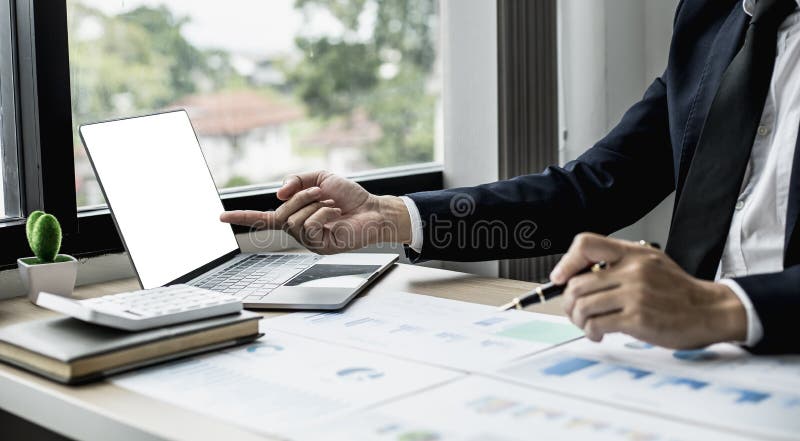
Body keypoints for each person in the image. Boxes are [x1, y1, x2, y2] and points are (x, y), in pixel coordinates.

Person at [221, 0, 800, 354]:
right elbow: (597, 184)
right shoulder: (714, 15)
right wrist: (394, 216)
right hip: (696, 361)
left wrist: (724, 307)